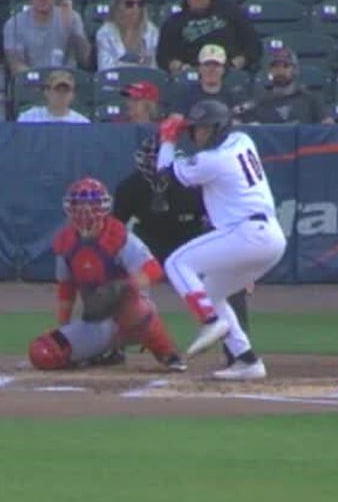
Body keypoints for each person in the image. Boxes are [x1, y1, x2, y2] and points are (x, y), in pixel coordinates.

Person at [155, 99, 286, 381]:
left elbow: (165, 174)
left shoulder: (212, 160)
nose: (199, 134)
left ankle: (210, 321)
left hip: (246, 233)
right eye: (196, 129)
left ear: (219, 128)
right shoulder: (242, 139)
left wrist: (167, 140)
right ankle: (247, 360)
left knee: (176, 263)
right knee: (211, 292)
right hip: (270, 238)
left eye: (204, 129)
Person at [116, 135, 253, 366]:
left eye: (158, 160)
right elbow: (115, 230)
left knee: (230, 286)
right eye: (150, 161)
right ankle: (116, 345)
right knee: (117, 284)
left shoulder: (192, 185)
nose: (155, 168)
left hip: (190, 237)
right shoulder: (131, 186)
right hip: (149, 241)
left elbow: (217, 223)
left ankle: (237, 352)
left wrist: (240, 269)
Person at [27, 177, 187, 372]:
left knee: (137, 308)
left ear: (103, 206)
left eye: (92, 204)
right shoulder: (65, 242)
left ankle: (167, 352)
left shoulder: (118, 236)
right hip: (97, 321)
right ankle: (104, 352)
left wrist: (125, 286)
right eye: (80, 204)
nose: (85, 211)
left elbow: (153, 270)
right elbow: (66, 290)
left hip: (131, 316)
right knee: (43, 352)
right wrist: (64, 327)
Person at [156, 0, 261, 74]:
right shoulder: (174, 22)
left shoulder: (231, 12)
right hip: (191, 74)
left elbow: (252, 47)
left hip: (228, 71)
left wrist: (233, 66)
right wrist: (181, 68)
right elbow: (163, 57)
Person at [3, 0, 92, 75]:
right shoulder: (14, 23)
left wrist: (71, 28)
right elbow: (16, 65)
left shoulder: (72, 17)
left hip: (66, 84)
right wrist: (43, 83)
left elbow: (85, 59)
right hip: (31, 85)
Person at [234, 45, 332, 124]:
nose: (280, 71)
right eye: (275, 66)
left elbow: (328, 127)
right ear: (270, 71)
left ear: (295, 70)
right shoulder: (260, 102)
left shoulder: (311, 100)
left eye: (285, 66)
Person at [96, 0, 161, 71]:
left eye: (140, 4)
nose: (136, 8)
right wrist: (139, 62)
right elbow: (105, 69)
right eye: (129, 4)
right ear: (118, 6)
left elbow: (154, 69)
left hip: (145, 82)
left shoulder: (152, 31)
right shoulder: (105, 33)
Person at [177, 43, 248, 113]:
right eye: (207, 65)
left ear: (223, 70)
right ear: (200, 69)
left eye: (216, 65)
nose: (211, 70)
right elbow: (175, 119)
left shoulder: (234, 97)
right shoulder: (185, 96)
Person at [16, 67, 91, 122]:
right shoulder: (29, 118)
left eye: (66, 90)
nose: (62, 95)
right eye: (57, 90)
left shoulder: (81, 122)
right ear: (47, 92)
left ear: (72, 95)